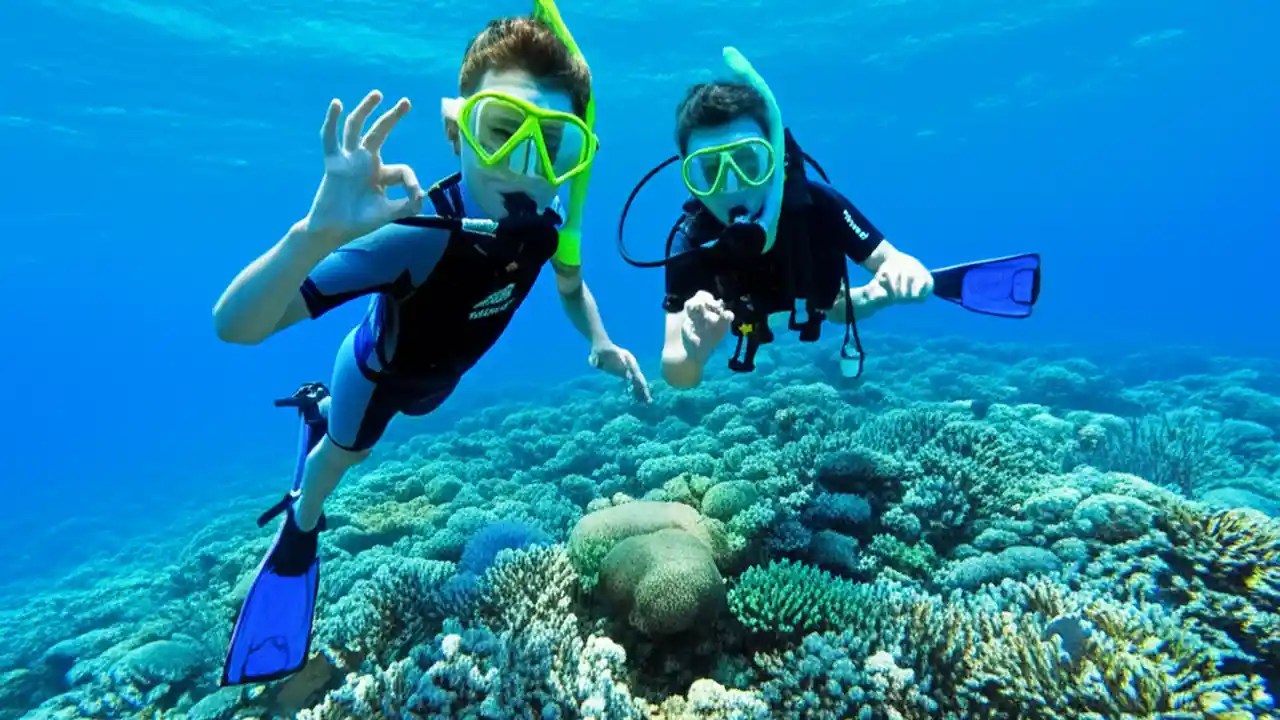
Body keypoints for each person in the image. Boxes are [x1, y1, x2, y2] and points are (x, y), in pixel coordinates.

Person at [213, 2, 648, 686]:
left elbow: (570, 286)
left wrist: (599, 339)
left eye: (555, 145)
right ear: (456, 132)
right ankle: (300, 522)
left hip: (439, 382)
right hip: (376, 376)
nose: (524, 167)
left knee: (383, 427)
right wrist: (313, 236)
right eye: (500, 132)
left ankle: (318, 422)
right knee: (344, 459)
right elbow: (238, 326)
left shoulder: (550, 225)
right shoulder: (415, 236)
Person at [617, 48, 1039, 388]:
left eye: (749, 162)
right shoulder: (691, 240)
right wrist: (696, 350)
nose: (732, 186)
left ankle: (875, 297)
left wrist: (904, 271)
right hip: (738, 314)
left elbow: (890, 258)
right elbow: (677, 374)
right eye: (710, 171)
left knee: (840, 307)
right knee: (819, 308)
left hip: (817, 299)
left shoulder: (816, 204)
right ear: (691, 181)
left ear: (778, 163)